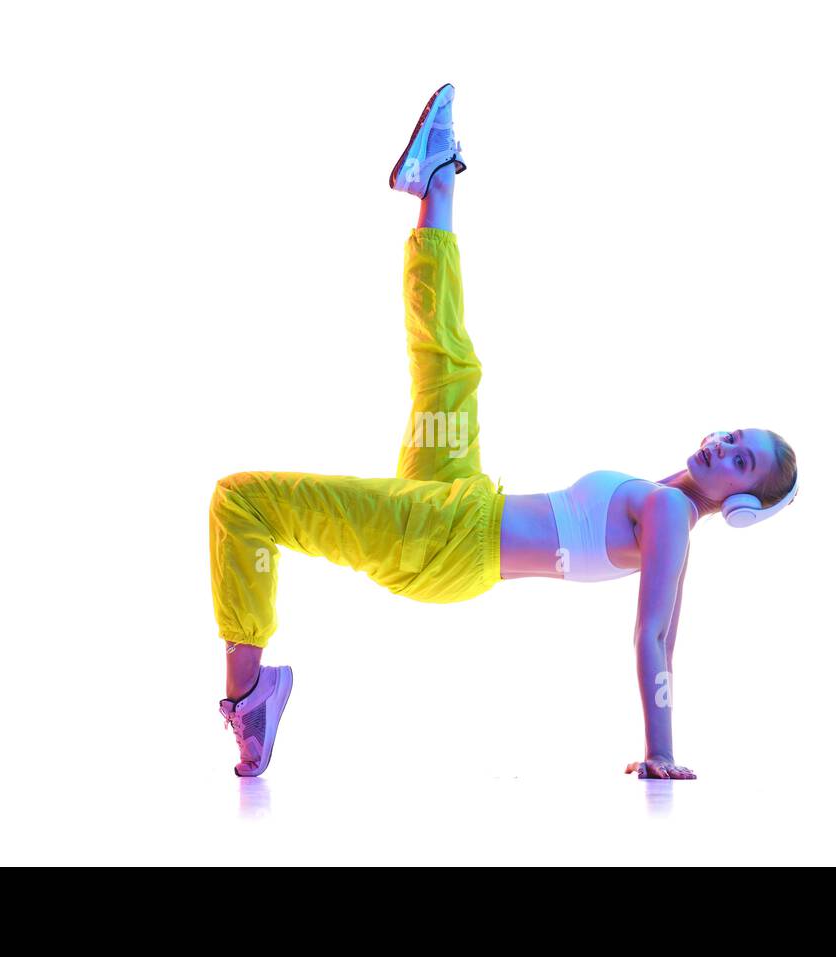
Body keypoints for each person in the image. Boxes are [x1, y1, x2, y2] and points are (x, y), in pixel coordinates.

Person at [209, 83, 799, 778]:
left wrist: (661, 750)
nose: (724, 445)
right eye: (735, 436)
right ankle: (434, 180)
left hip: (445, 538)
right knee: (450, 365)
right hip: (460, 493)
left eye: (741, 462)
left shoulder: (671, 512)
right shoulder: (664, 505)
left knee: (241, 500)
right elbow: (667, 636)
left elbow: (651, 637)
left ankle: (249, 697)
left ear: (740, 506)